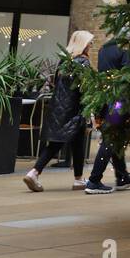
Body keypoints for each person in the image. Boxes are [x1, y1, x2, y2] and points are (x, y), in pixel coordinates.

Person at [23, 29, 94, 192]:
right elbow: (85, 88)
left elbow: (56, 84)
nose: (91, 45)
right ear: (83, 44)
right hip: (74, 108)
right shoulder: (83, 62)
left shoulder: (64, 62)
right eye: (90, 42)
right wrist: (90, 110)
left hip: (58, 108)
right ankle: (34, 173)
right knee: (59, 144)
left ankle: (78, 179)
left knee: (74, 143)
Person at [85, 36, 130, 196]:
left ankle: (122, 176)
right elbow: (128, 76)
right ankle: (94, 180)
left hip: (106, 98)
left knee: (116, 138)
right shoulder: (125, 49)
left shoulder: (103, 49)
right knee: (110, 139)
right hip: (118, 101)